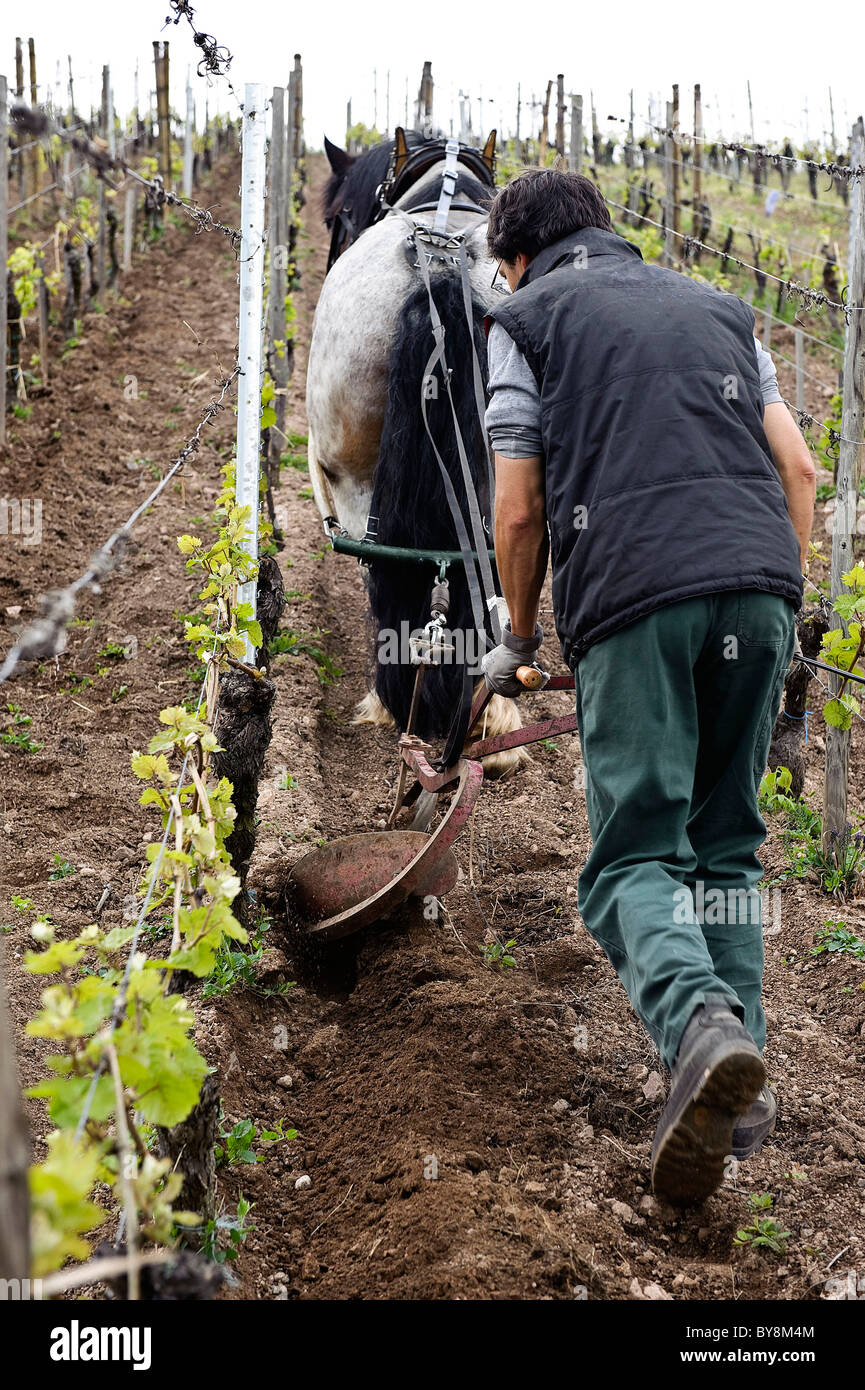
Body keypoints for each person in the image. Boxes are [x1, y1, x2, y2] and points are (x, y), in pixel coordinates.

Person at [480, 168, 815, 1206]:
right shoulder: (718, 306)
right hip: (761, 589)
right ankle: (735, 1093)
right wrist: (783, 608)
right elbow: (799, 471)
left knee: (632, 859)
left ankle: (699, 1028)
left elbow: (522, 508)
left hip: (636, 591)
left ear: (518, 257)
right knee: (724, 843)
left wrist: (519, 636)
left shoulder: (523, 316)